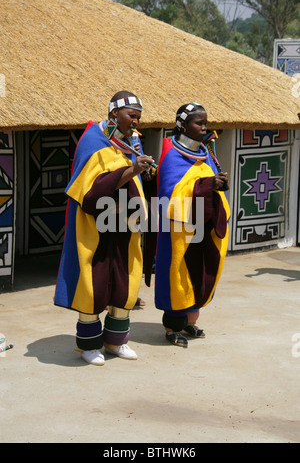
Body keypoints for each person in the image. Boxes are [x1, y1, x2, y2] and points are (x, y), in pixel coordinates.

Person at [54, 90, 155, 365]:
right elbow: (89, 190)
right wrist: (131, 171)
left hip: (124, 226)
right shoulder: (94, 140)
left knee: (124, 281)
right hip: (95, 225)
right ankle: (89, 345)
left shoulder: (132, 141)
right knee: (94, 283)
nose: (135, 122)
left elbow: (132, 177)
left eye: (138, 118)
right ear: (114, 113)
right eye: (131, 116)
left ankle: (116, 342)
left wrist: (143, 172)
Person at [154, 103, 230, 347]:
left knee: (199, 270)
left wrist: (216, 185)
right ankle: (172, 327)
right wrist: (208, 185)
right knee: (177, 273)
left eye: (206, 122)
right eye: (199, 123)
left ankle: (188, 321)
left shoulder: (205, 152)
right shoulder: (172, 157)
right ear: (183, 125)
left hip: (202, 226)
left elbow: (202, 180)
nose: (204, 127)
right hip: (179, 230)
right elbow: (170, 194)